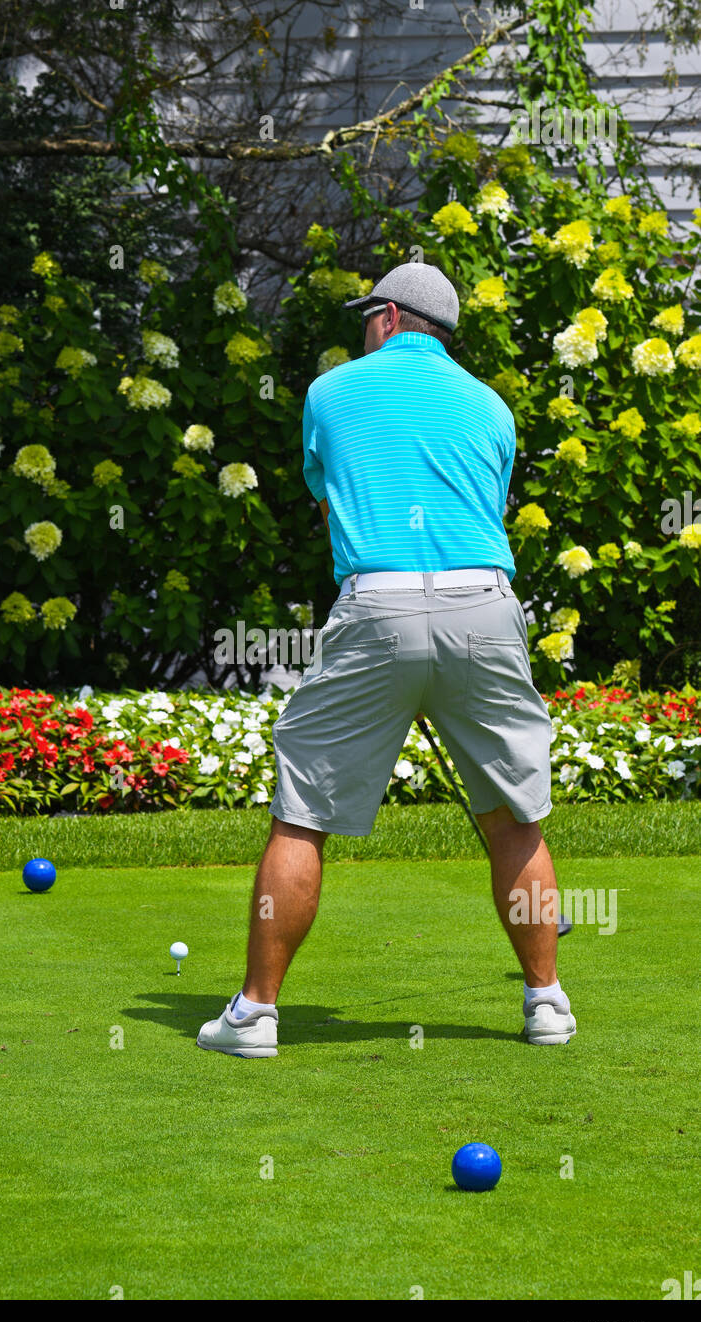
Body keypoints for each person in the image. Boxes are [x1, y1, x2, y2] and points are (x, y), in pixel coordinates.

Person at [197, 261, 575, 1058]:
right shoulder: (494, 405)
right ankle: (546, 1004)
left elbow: (322, 488)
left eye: (367, 315)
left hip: (377, 604)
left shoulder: (332, 391)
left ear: (391, 317)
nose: (361, 326)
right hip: (484, 604)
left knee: (303, 811)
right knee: (514, 815)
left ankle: (256, 1017)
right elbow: (479, 504)